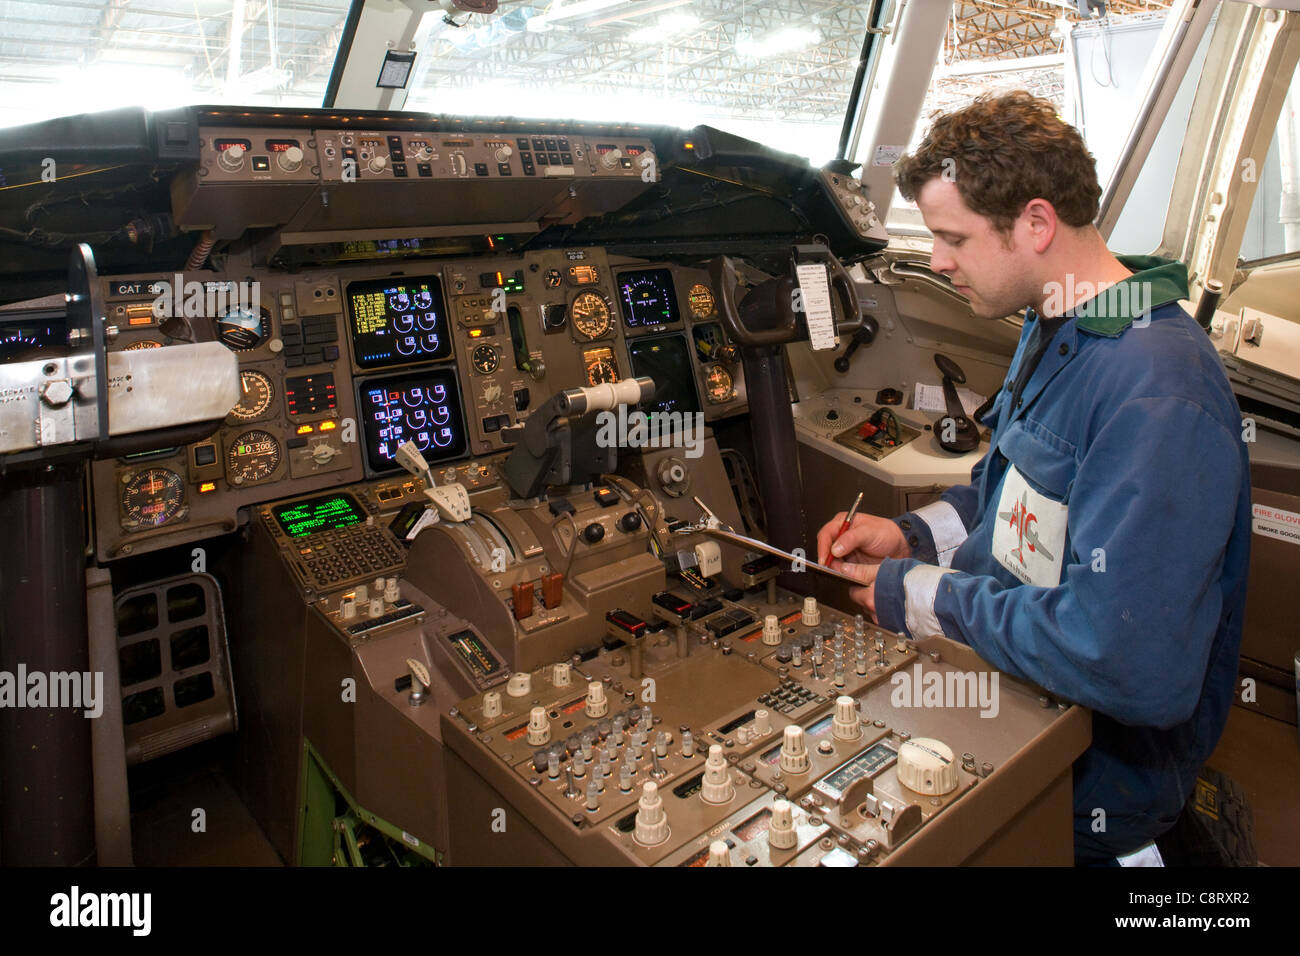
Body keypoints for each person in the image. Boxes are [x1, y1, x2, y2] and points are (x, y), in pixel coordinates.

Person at [815, 91, 1252, 865]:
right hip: (1010, 695)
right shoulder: (1058, 322)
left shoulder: (1158, 393)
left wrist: (918, 594)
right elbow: (1004, 490)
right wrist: (911, 533)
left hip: (1091, 793)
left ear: (1037, 224)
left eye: (952, 238)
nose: (937, 261)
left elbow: (1130, 664)